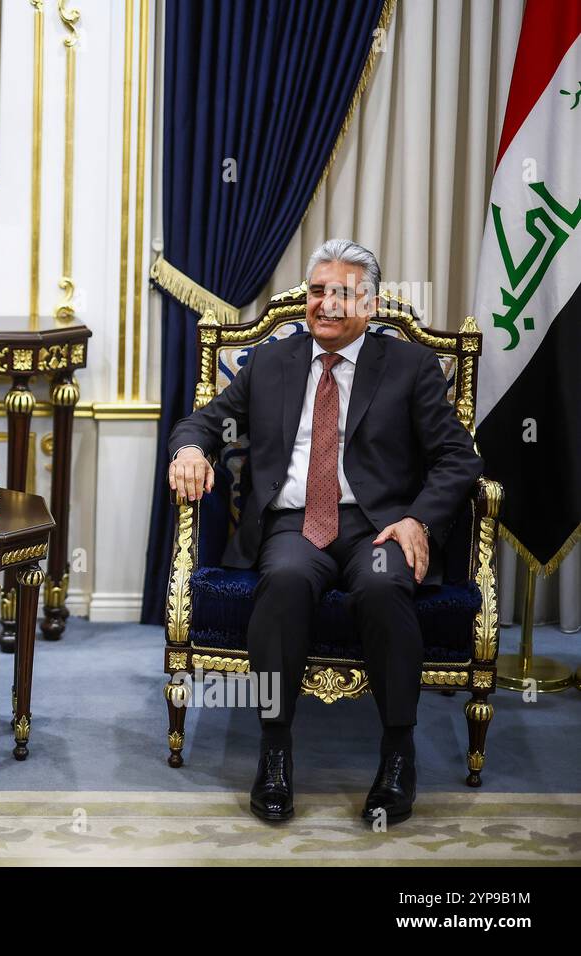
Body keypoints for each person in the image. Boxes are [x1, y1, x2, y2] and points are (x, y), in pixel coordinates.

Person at [167, 239, 481, 826]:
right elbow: (206, 421)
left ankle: (396, 755)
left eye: (342, 293)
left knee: (385, 587)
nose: (326, 306)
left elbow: (458, 459)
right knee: (282, 580)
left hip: (379, 527)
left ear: (371, 303)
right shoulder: (273, 362)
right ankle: (275, 752)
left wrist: (417, 519)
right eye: (317, 291)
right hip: (292, 524)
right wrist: (189, 449)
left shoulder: (409, 368)